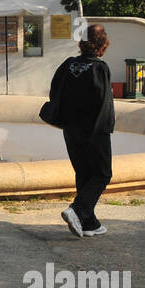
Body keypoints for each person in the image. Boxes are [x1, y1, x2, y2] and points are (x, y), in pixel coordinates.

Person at [47, 23, 114, 237]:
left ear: (82, 43)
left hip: (71, 129)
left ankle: (88, 222)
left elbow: (54, 92)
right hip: (94, 130)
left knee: (84, 173)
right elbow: (105, 103)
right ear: (103, 43)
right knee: (103, 173)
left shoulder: (68, 65)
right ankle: (77, 209)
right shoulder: (100, 68)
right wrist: (105, 129)